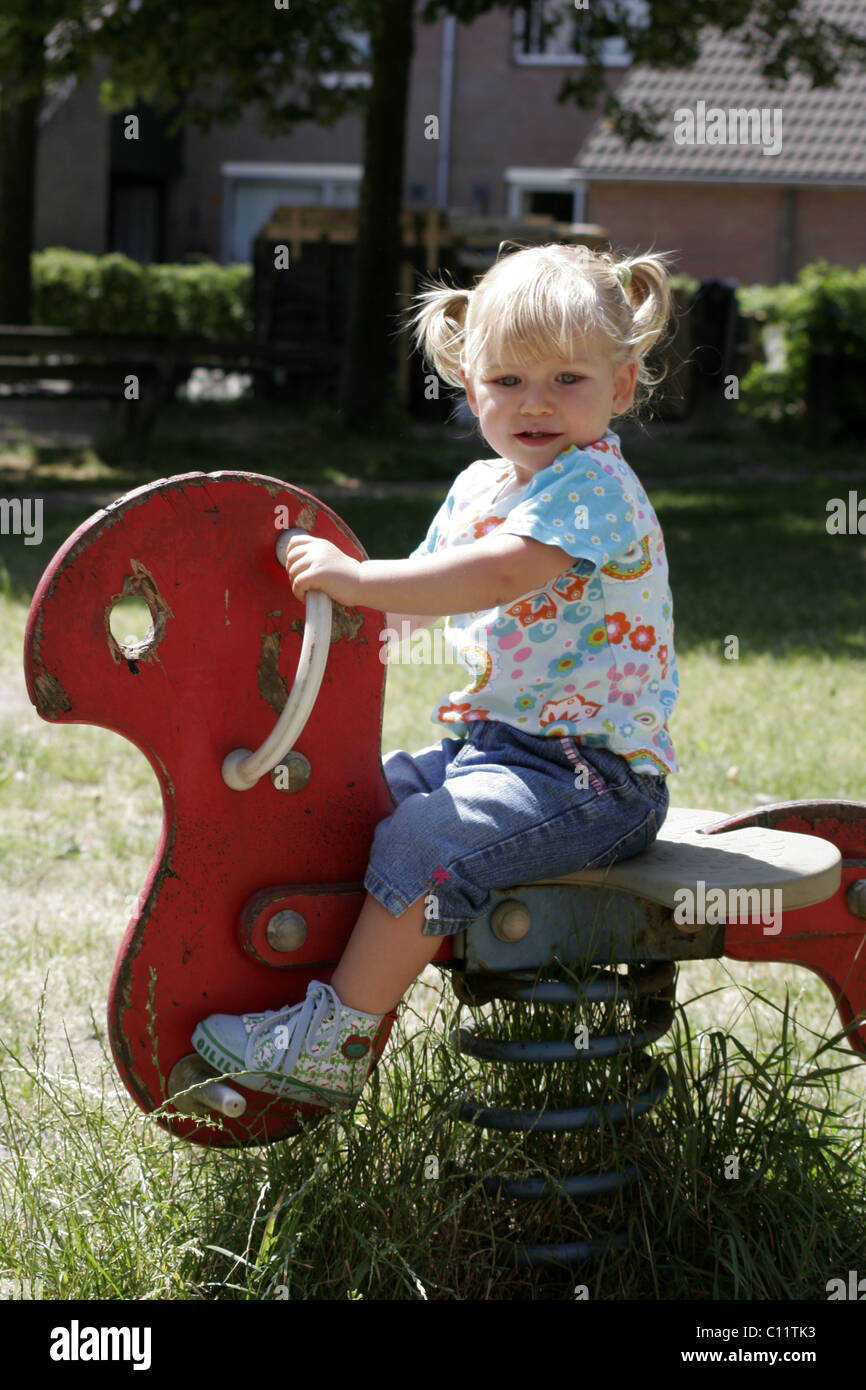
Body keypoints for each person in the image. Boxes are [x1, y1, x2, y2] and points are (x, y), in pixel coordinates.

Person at [192, 242, 680, 1111]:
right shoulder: (480, 485)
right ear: (469, 384)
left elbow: (493, 577)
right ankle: (286, 999)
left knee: (426, 845)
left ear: (622, 386)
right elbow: (408, 606)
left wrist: (349, 574)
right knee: (354, 800)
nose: (534, 403)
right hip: (489, 750)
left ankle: (331, 1047)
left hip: (591, 778)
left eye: (568, 379)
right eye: (507, 381)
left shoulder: (594, 485)